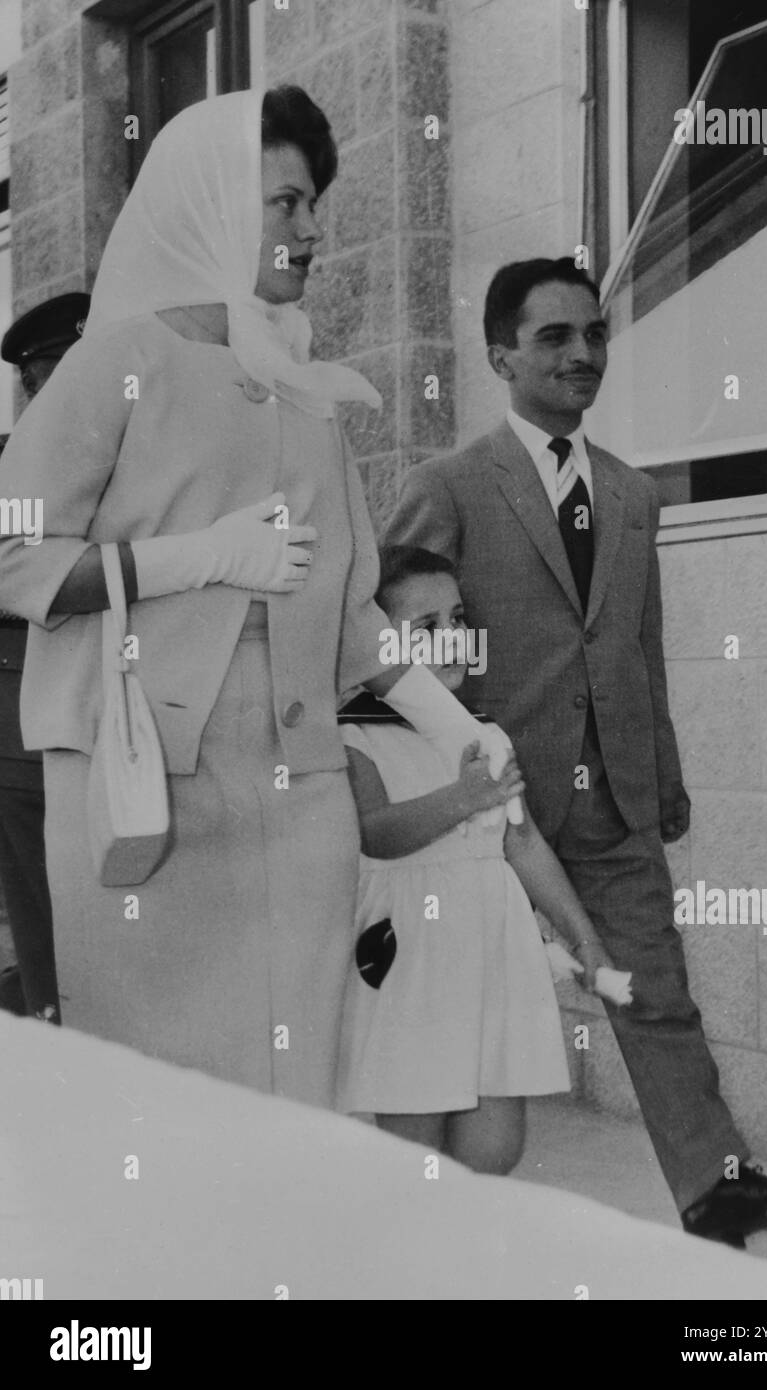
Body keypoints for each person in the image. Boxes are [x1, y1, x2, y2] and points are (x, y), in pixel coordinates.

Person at [0, 88, 507, 1108]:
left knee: (297, 1091)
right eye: (286, 202)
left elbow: (356, 616)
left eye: (315, 202)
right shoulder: (119, 363)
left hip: (301, 799)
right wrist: (195, 560)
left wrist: (459, 727)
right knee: (162, 1102)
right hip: (146, 797)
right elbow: (15, 550)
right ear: (212, 204)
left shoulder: (305, 388)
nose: (312, 228)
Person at [383, 257, 767, 1244]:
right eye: (554, 337)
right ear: (499, 353)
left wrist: (660, 772)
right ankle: (409, 1226)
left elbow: (634, 645)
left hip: (613, 799)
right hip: (489, 808)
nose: (582, 353)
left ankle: (718, 1191)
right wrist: (432, 774)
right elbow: (392, 646)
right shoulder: (448, 486)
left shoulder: (629, 494)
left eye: (593, 334)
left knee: (655, 994)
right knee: (452, 1020)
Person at [337, 545, 621, 1173]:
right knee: (409, 1151)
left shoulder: (484, 733)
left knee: (494, 1150)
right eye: (428, 628)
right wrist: (462, 797)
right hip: (413, 958)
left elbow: (521, 842)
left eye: (459, 619)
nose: (454, 637)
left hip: (490, 954)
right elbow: (375, 832)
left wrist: (585, 939)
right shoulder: (355, 733)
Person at [0, 292, 90, 1021]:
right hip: (25, 735)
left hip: (140, 722)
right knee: (49, 950)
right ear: (32, 387)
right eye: (64, 376)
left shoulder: (141, 457)